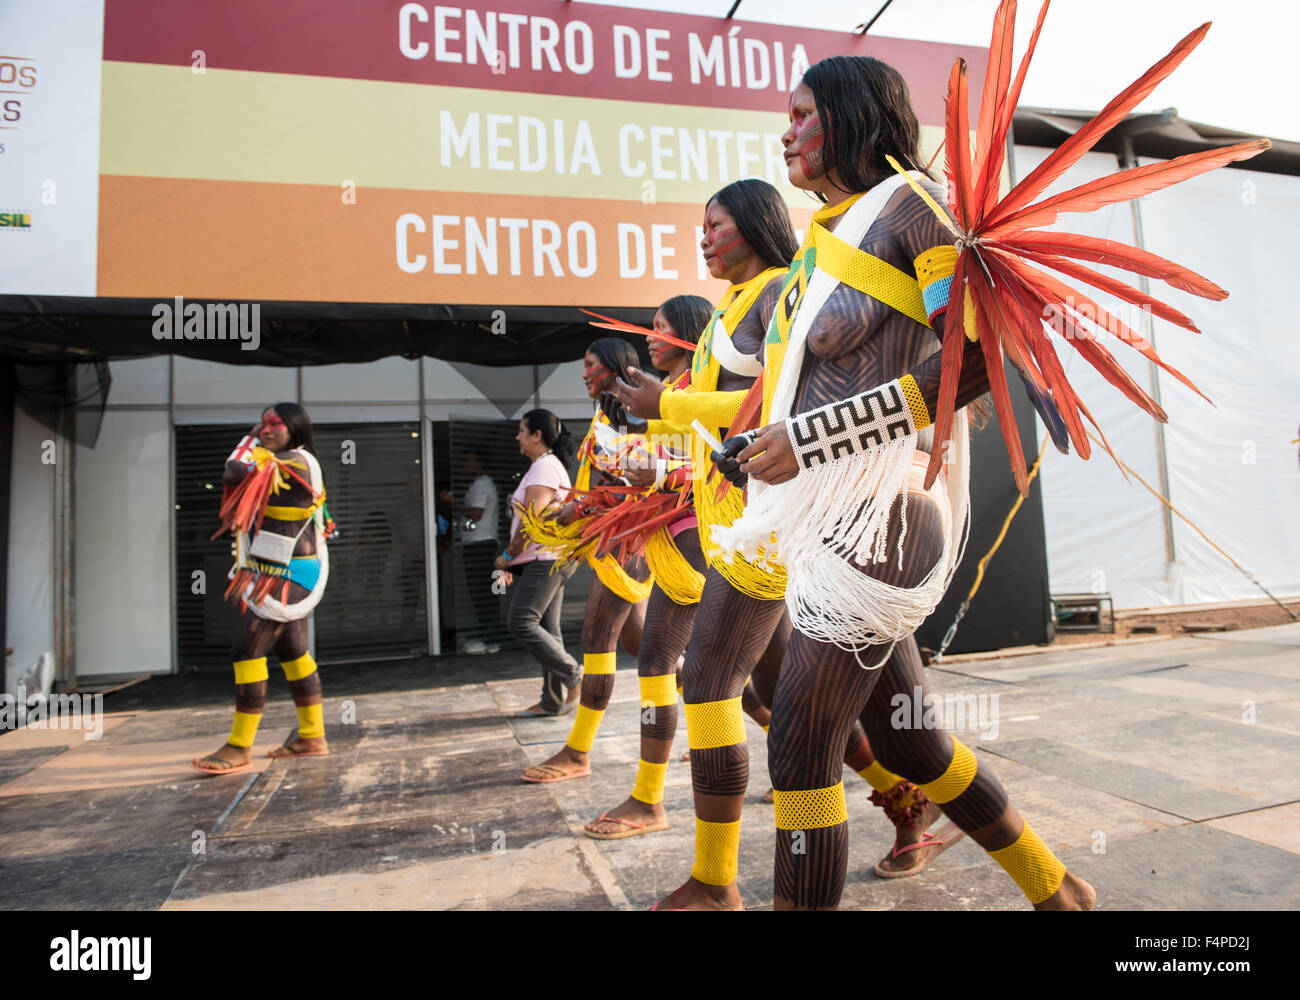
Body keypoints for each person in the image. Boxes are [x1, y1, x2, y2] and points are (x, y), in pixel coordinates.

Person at [704, 56, 1093, 909]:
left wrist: (815, 436)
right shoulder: (821, 240)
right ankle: (1055, 889)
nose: (786, 131)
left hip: (889, 513)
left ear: (848, 116)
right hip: (816, 518)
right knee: (912, 747)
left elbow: (983, 358)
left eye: (802, 113)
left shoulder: (915, 209)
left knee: (802, 747)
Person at [518, 337, 653, 773]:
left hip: (627, 544)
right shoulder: (611, 412)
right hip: (610, 543)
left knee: (597, 643)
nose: (583, 373)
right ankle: (737, 709)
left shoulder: (637, 412)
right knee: (648, 649)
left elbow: (645, 480)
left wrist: (579, 508)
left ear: (614, 366)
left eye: (591, 364)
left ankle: (578, 752)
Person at [193, 402, 335, 774]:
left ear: (296, 428)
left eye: (275, 425)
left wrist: (249, 438)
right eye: (262, 424)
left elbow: (234, 470)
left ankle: (239, 746)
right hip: (280, 570)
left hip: (285, 575)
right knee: (293, 653)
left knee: (247, 649)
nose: (265, 430)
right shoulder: (286, 460)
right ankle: (312, 735)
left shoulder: (293, 462)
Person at [496, 410, 581, 715]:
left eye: (522, 431)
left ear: (537, 435)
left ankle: (573, 674)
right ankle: (554, 701)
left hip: (545, 559)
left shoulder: (544, 468)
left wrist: (507, 556)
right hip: (550, 557)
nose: (517, 437)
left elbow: (529, 522)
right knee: (547, 628)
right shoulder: (543, 467)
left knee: (521, 621)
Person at [441, 450, 501, 654]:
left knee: (482, 591)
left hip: (480, 544)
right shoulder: (481, 484)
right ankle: (488, 636)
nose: (464, 464)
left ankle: (490, 638)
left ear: (478, 463)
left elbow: (476, 513)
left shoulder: (482, 485)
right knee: (482, 591)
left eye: (468, 459)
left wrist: (452, 503)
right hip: (479, 544)